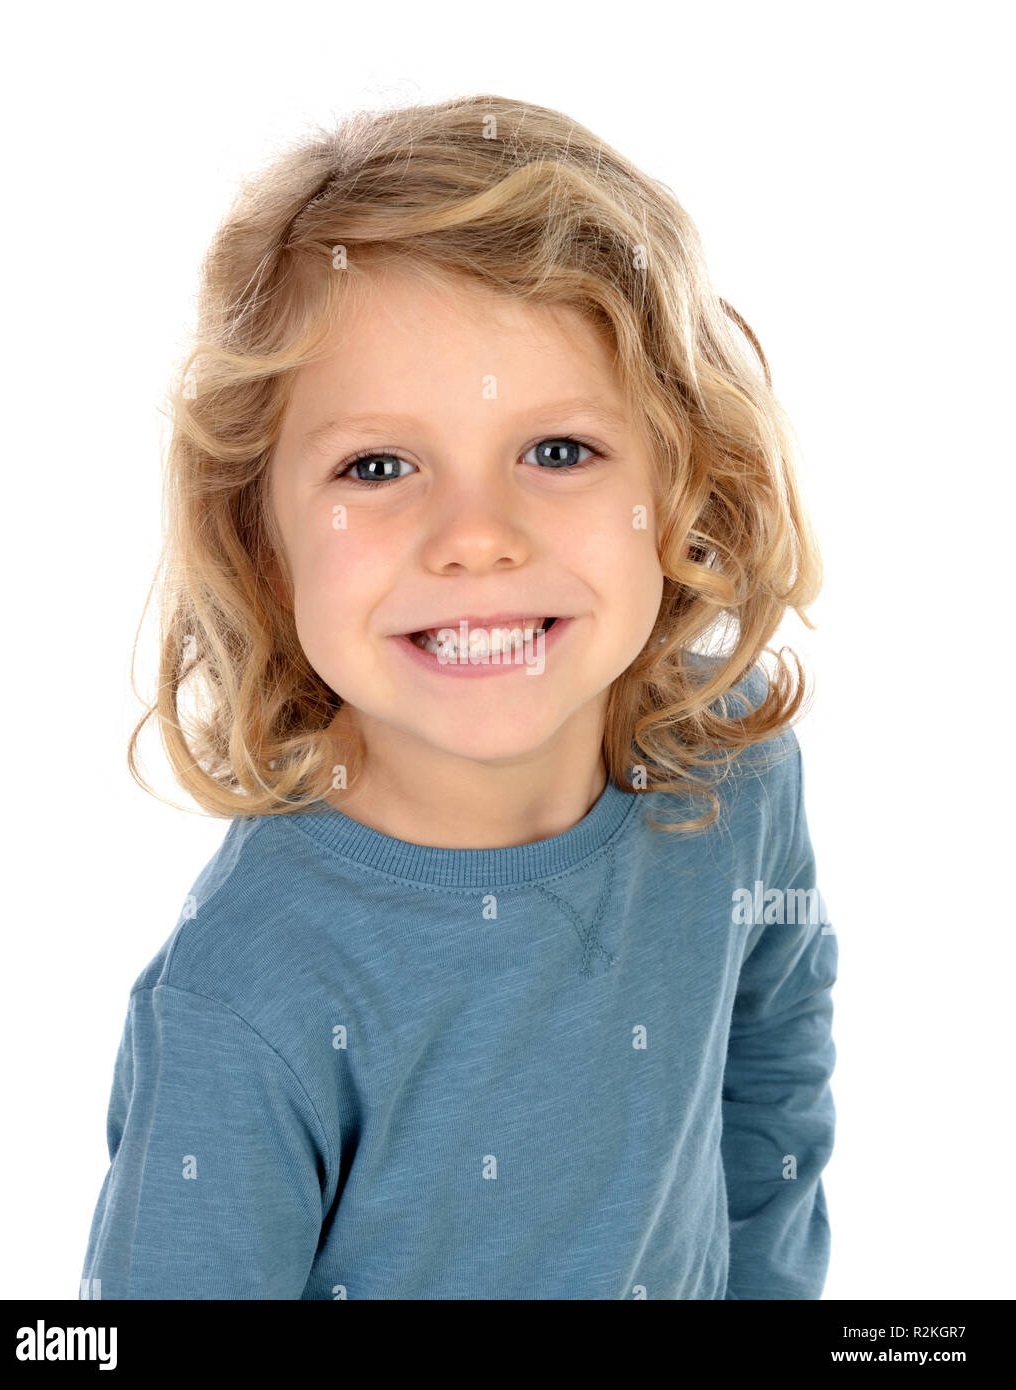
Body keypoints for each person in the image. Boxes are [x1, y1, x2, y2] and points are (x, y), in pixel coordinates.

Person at [78, 93, 837, 1300]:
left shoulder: (737, 779)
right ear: (261, 536)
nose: (475, 537)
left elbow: (772, 1092)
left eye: (558, 451)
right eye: (377, 466)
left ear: (686, 480)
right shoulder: (241, 997)